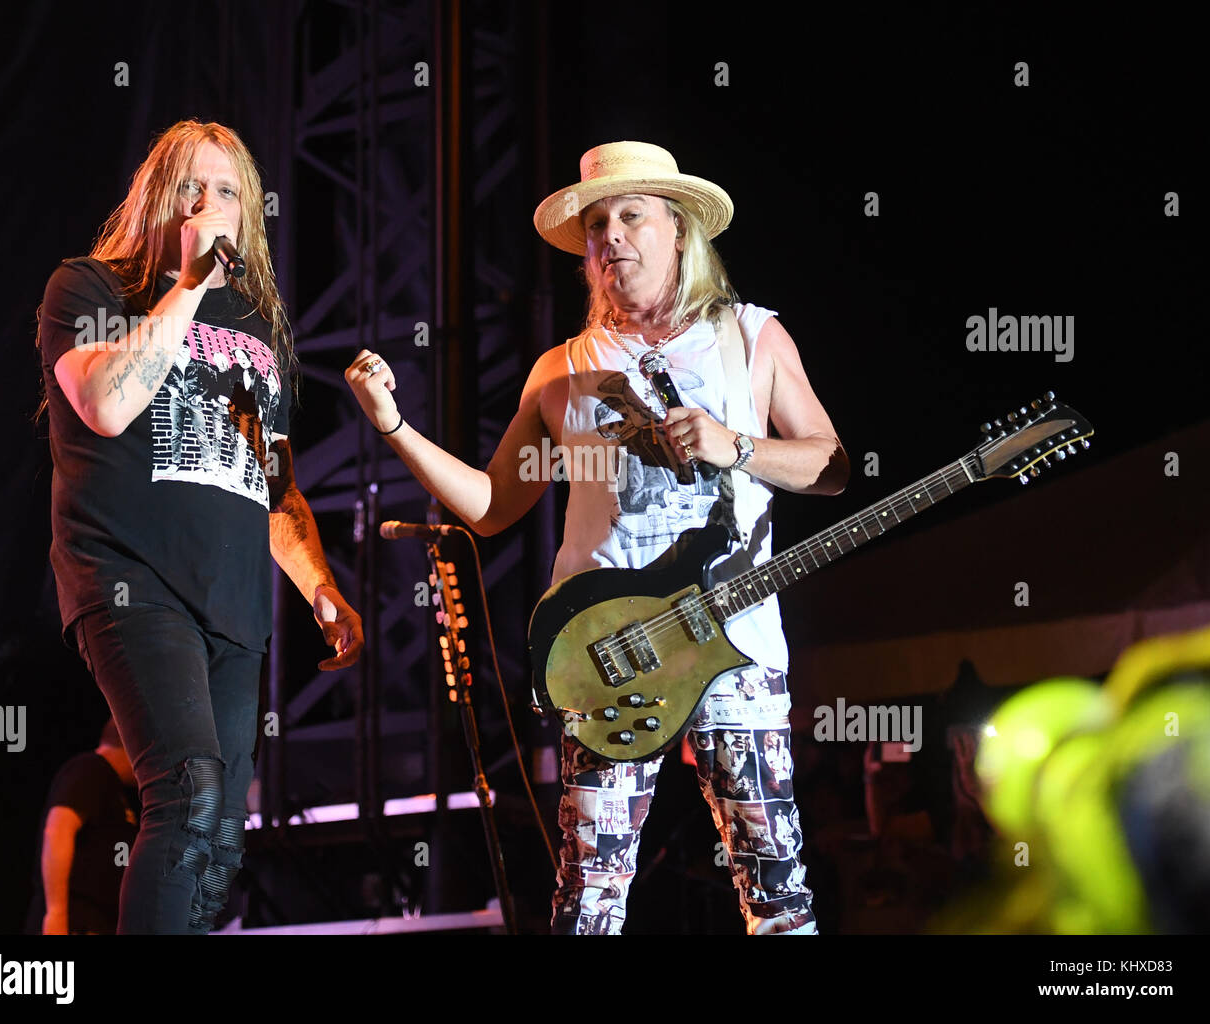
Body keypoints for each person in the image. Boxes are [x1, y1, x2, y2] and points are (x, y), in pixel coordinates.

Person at [346, 142, 848, 934]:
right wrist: (396, 427)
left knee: (778, 895)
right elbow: (491, 504)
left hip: (737, 651)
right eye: (596, 224)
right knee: (588, 903)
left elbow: (829, 466)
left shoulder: (753, 338)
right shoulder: (561, 370)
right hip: (610, 656)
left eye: (630, 215)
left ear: (678, 232)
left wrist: (735, 445)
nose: (609, 235)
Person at [36, 120, 364, 934]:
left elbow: (273, 484)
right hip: (131, 579)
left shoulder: (257, 334)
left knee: (219, 836)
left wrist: (319, 585)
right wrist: (184, 287)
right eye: (190, 186)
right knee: (190, 792)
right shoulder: (88, 290)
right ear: (156, 198)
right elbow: (106, 405)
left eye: (226, 191)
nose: (207, 204)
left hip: (235, 604)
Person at [25, 718, 139, 935]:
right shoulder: (90, 769)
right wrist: (57, 915)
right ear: (134, 744)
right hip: (75, 922)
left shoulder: (115, 789)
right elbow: (57, 829)